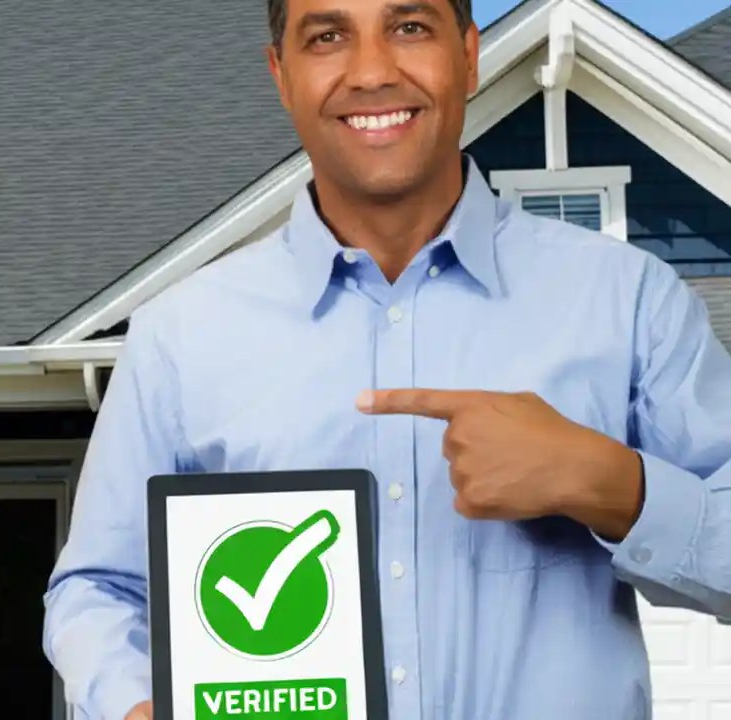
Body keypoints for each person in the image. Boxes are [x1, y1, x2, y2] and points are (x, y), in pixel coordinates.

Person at [41, 0, 731, 717]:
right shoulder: (180, 337)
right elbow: (98, 589)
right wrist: (134, 706)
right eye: (329, 36)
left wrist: (610, 483)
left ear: (468, 53)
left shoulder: (629, 301)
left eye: (409, 27)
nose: (371, 71)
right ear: (282, 74)